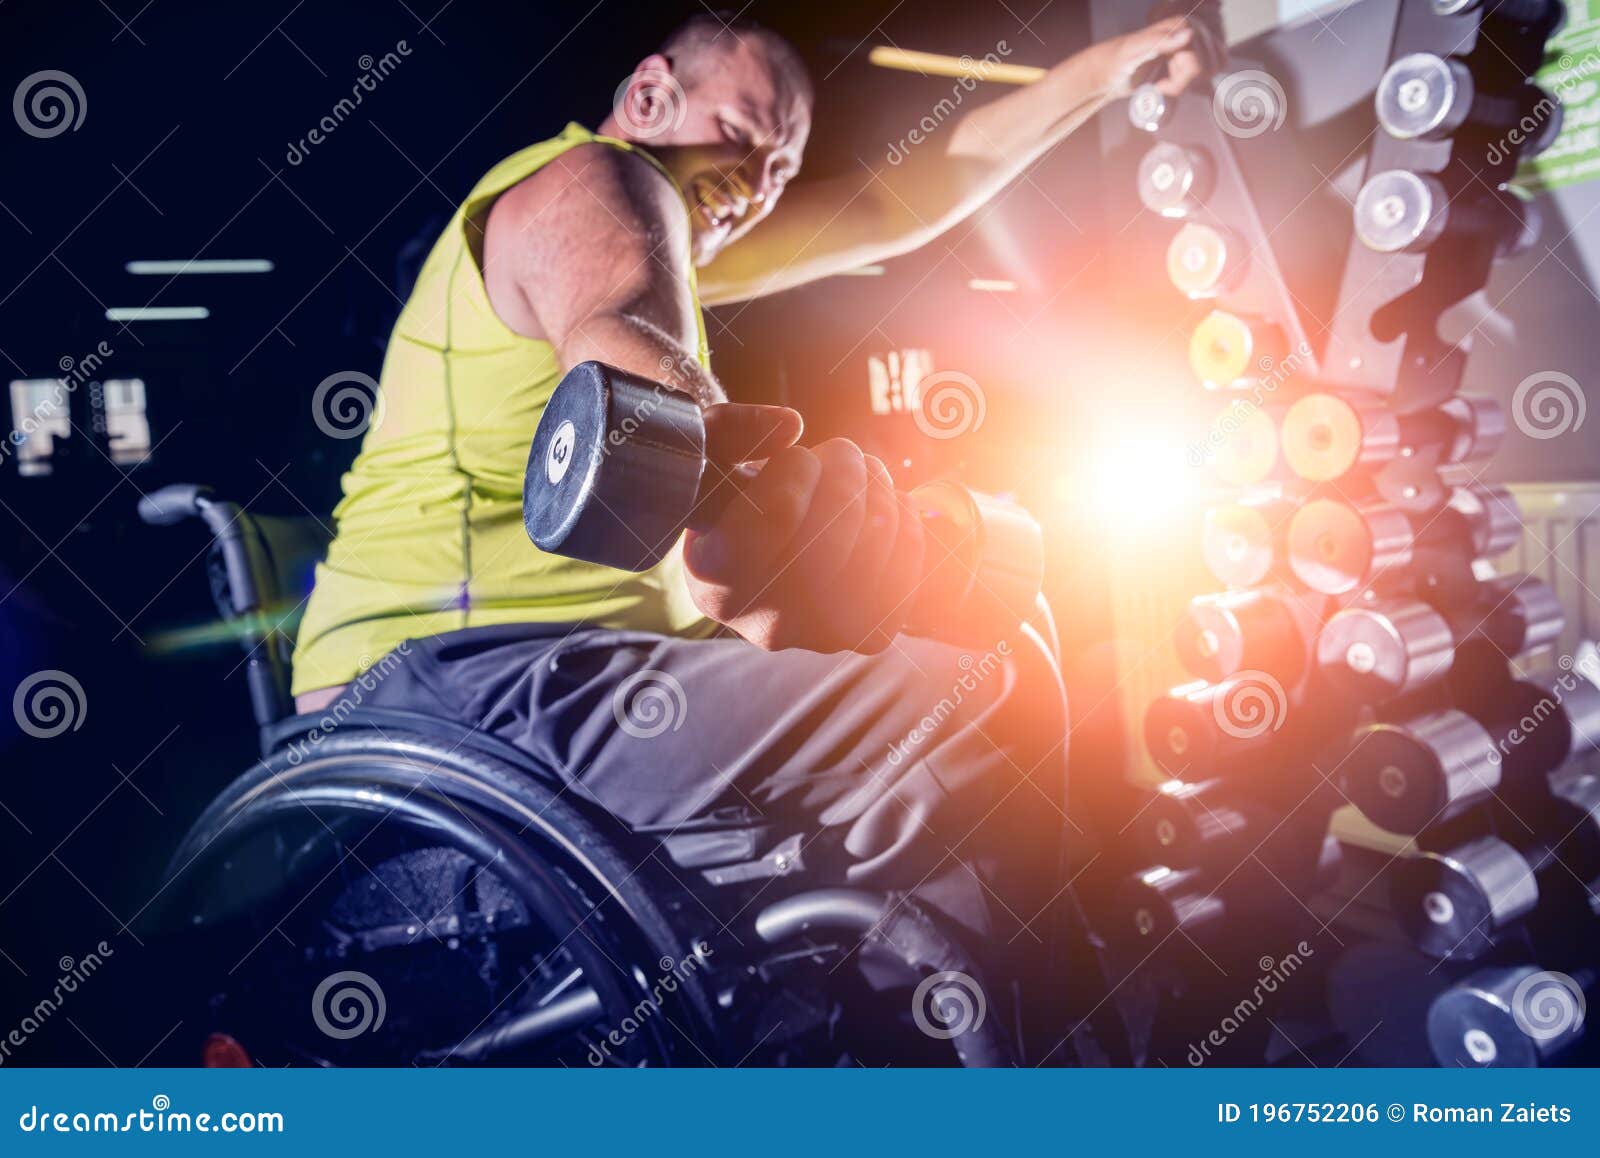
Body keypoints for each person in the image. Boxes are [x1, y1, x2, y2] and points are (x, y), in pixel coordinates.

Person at [291, 13, 1202, 953]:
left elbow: (891, 204)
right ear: (650, 97)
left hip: (551, 665)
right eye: (737, 135)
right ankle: (1020, 1008)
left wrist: (1107, 70)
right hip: (445, 686)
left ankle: (1023, 969)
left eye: (780, 170)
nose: (756, 186)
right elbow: (621, 335)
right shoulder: (591, 185)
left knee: (998, 621)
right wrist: (740, 495)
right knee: (970, 688)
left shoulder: (677, 231)